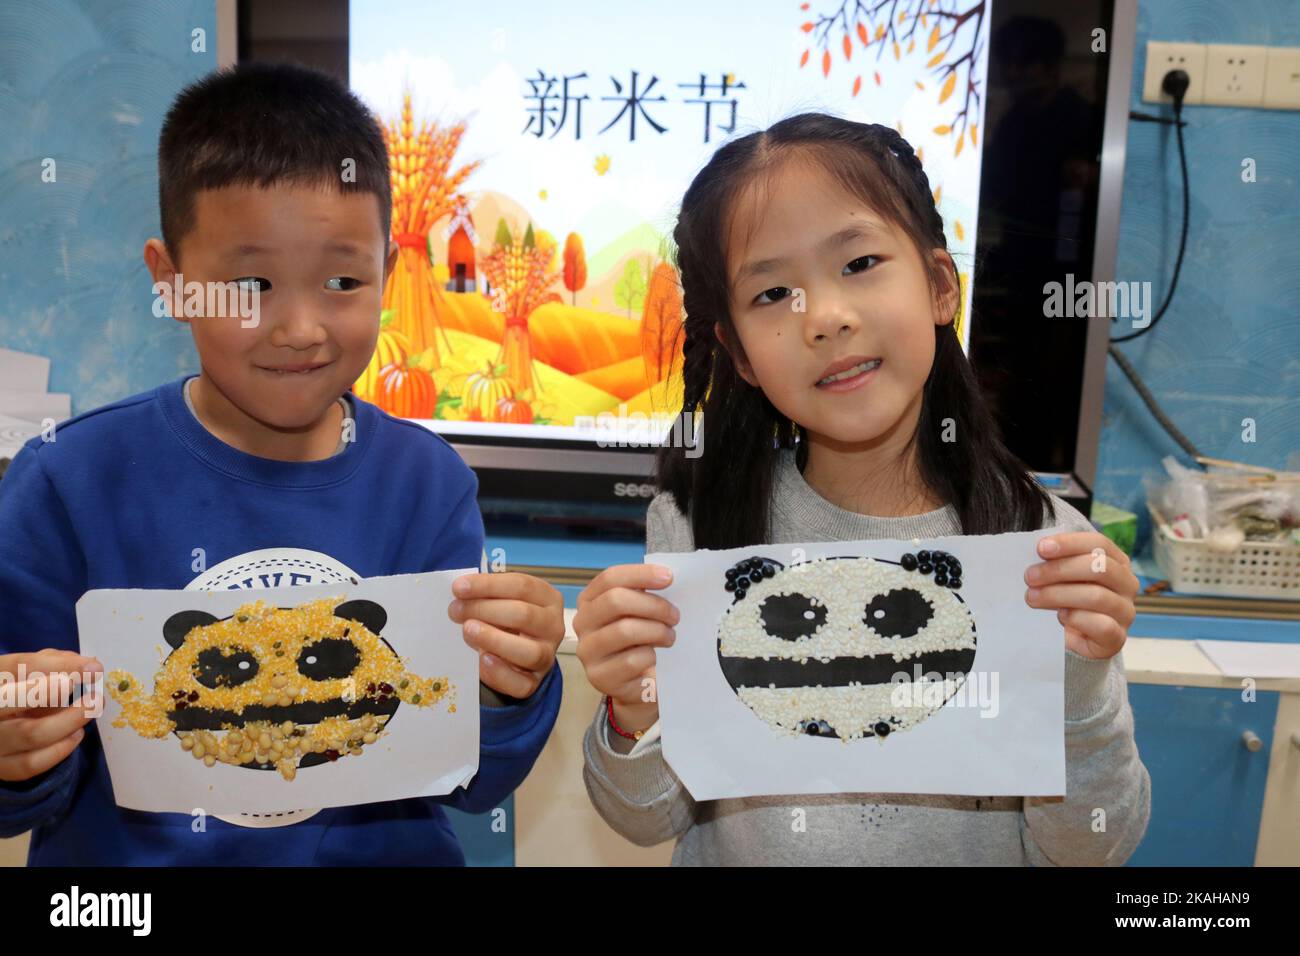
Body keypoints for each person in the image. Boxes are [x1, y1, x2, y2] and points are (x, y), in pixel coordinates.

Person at [0, 63, 564, 865]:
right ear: (173, 284)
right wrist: (18, 749)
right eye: (250, 283)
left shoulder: (427, 485)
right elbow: (20, 785)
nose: (300, 328)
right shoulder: (68, 482)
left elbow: (468, 776)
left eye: (342, 280)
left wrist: (515, 681)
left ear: (387, 279)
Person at [574, 112, 1150, 865]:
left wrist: (1081, 678)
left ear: (941, 286)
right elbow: (646, 818)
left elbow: (1091, 845)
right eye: (774, 293)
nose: (826, 319)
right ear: (739, 355)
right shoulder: (692, 532)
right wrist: (629, 706)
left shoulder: (1043, 546)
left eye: (859, 263)